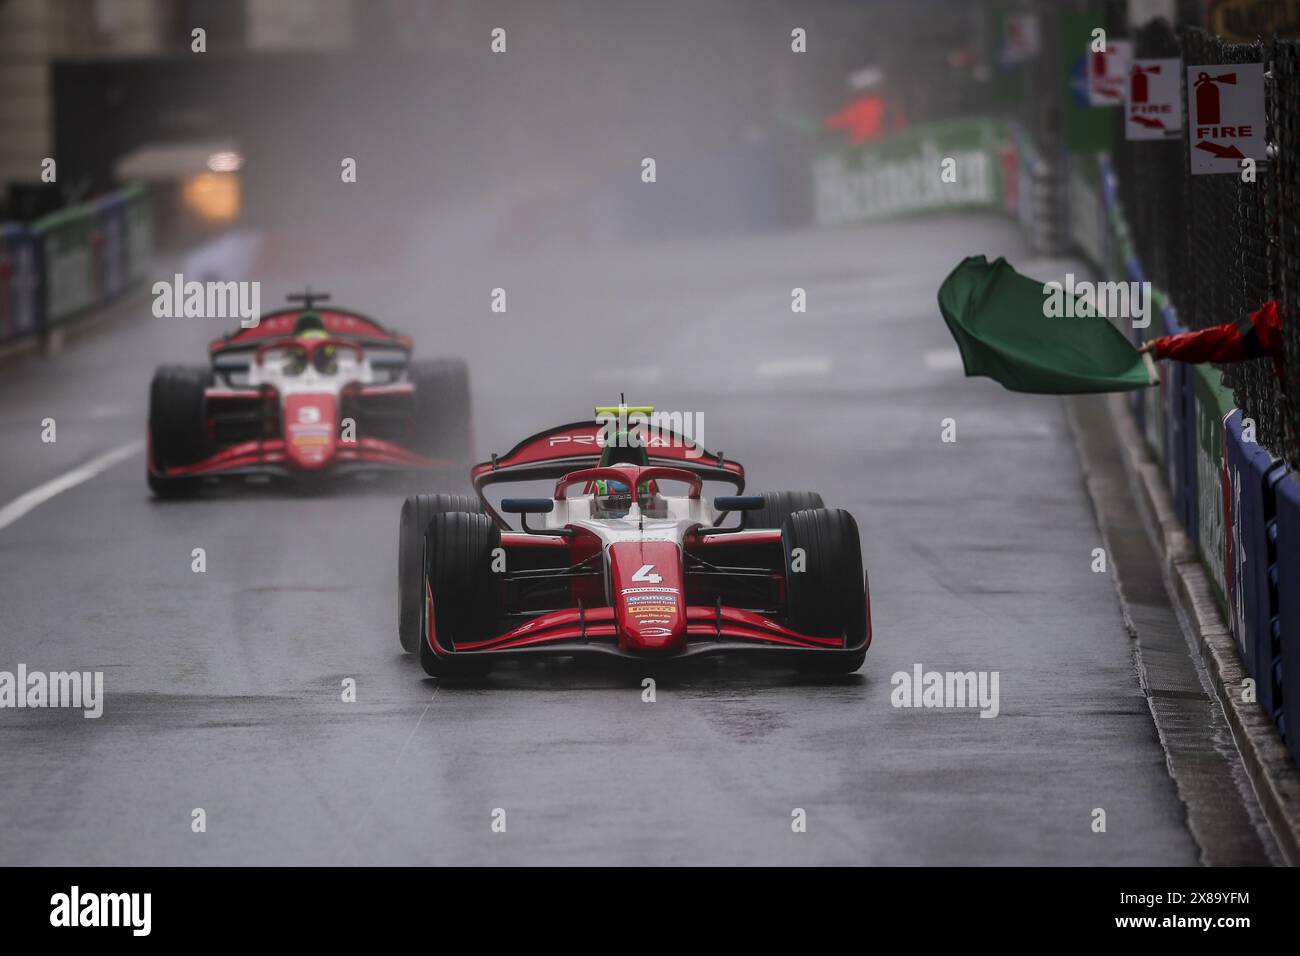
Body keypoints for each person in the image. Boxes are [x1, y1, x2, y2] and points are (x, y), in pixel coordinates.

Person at [1138, 300, 1285, 382]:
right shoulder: (1278, 319)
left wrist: (1164, 347)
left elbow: (1223, 341)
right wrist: (1163, 347)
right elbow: (1223, 341)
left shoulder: (1280, 318)